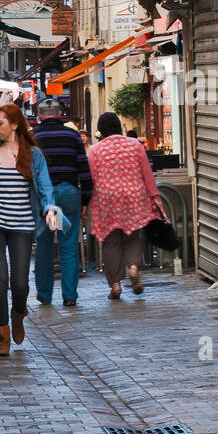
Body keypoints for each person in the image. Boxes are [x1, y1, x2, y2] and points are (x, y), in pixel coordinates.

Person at [0, 103, 61, 357]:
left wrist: (50, 208)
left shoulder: (33, 155)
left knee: (20, 284)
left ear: (15, 124)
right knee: (0, 279)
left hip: (23, 226)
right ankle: (2, 333)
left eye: (0, 123)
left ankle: (18, 314)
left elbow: (44, 186)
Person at [88, 111, 163, 300]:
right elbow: (147, 172)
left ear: (100, 130)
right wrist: (154, 196)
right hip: (134, 196)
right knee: (132, 237)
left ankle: (115, 285)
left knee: (111, 242)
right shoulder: (135, 145)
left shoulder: (96, 150)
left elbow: (91, 178)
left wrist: (88, 203)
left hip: (107, 198)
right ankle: (134, 268)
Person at [32, 98, 93, 307]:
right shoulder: (72, 135)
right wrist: (86, 199)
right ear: (60, 115)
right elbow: (84, 169)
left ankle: (45, 294)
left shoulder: (33, 137)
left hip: (45, 199)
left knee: (44, 245)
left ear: (39, 116)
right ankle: (69, 295)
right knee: (68, 246)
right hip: (68, 194)